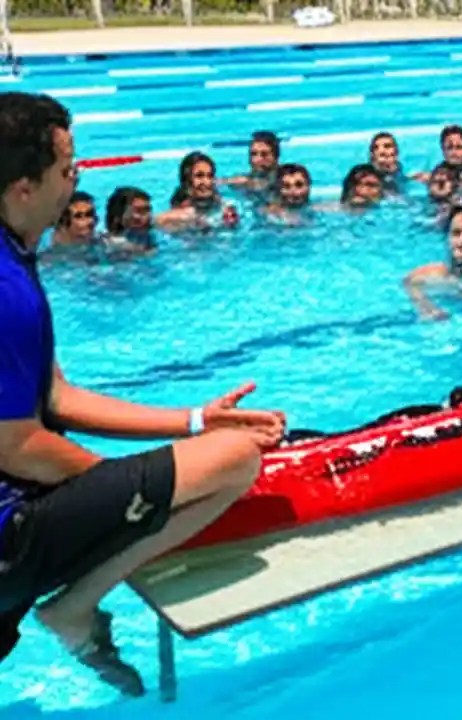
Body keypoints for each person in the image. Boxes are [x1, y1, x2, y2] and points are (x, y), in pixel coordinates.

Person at [0, 92, 284, 696]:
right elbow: (19, 446)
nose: (77, 178)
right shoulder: (6, 290)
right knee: (237, 460)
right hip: (10, 535)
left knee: (216, 446)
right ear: (24, 187)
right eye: (67, 168)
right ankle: (76, 606)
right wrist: (135, 495)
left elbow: (55, 394)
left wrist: (191, 423)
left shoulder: (15, 256)